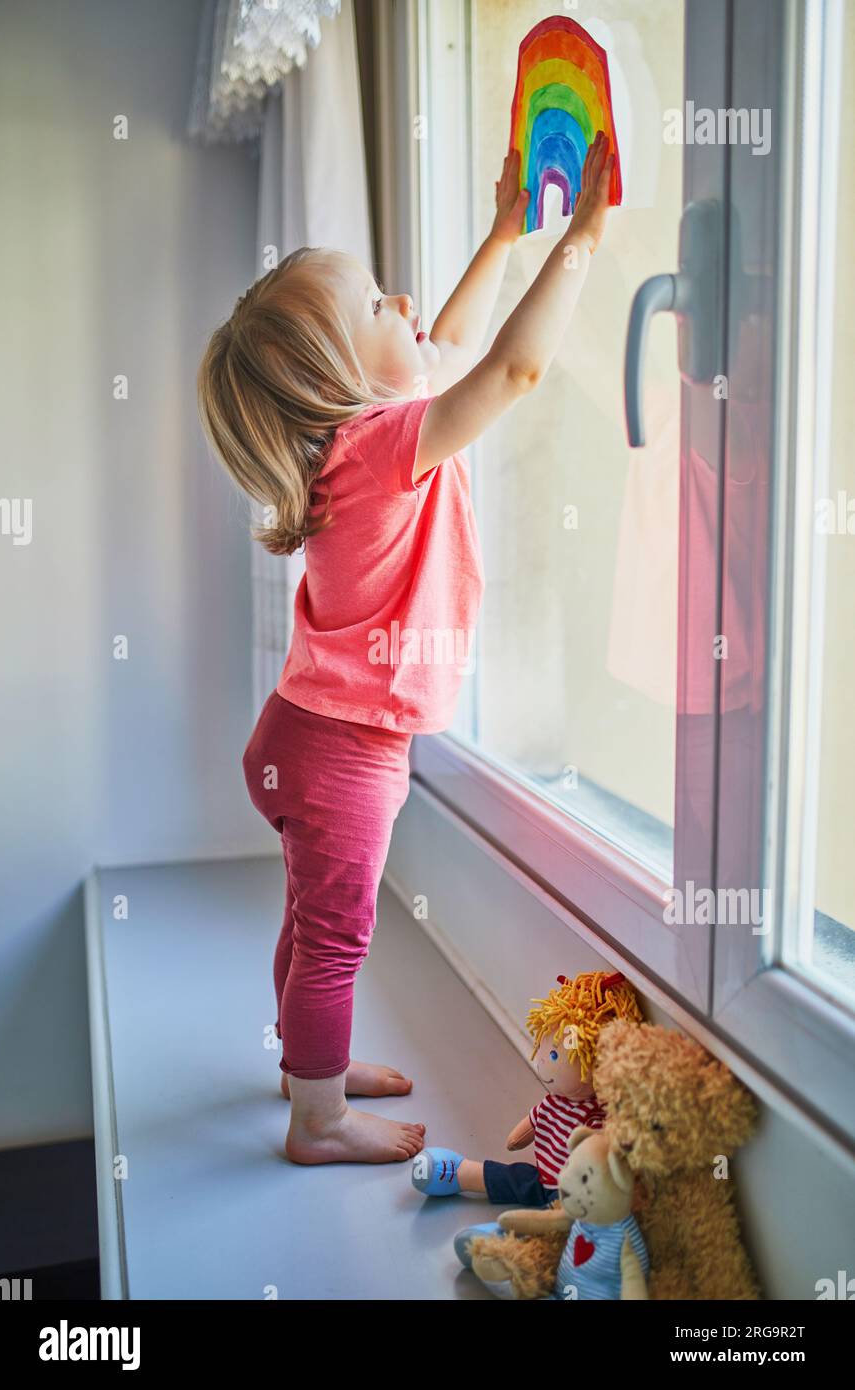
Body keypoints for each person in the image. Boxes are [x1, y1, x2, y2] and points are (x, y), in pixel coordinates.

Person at [196, 135, 616, 1167]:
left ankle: (310, 1070)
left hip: (297, 732)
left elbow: (456, 337)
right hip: (343, 753)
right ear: (346, 372)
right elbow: (510, 365)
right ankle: (317, 1122)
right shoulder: (384, 446)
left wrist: (505, 231)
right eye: (379, 303)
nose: (405, 306)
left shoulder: (361, 436)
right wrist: (582, 241)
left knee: (308, 920)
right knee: (335, 939)